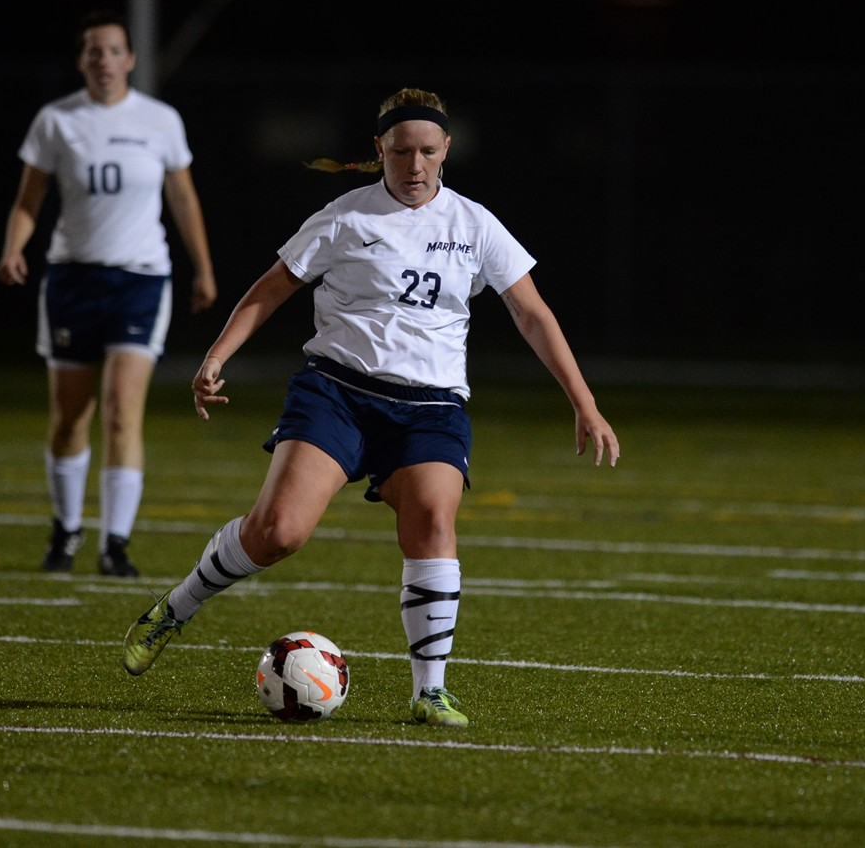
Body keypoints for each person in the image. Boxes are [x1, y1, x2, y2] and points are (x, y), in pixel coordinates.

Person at [121, 87, 619, 727]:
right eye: (402, 151)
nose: (415, 166)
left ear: (447, 152)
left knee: (434, 519)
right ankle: (177, 608)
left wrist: (585, 403)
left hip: (432, 407)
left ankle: (429, 691)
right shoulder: (344, 218)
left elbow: (532, 312)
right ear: (378, 150)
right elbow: (268, 290)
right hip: (340, 393)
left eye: (428, 152)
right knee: (279, 533)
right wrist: (216, 357)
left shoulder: (473, 223)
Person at [0, 9, 218, 578]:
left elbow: (185, 199)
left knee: (122, 411)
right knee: (71, 415)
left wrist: (203, 268)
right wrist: (14, 247)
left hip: (141, 279)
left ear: (130, 59)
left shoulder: (160, 120)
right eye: (93, 51)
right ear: (82, 61)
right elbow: (29, 199)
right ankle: (66, 531)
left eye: (113, 50)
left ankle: (114, 543)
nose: (103, 60)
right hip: (72, 278)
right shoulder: (56, 120)